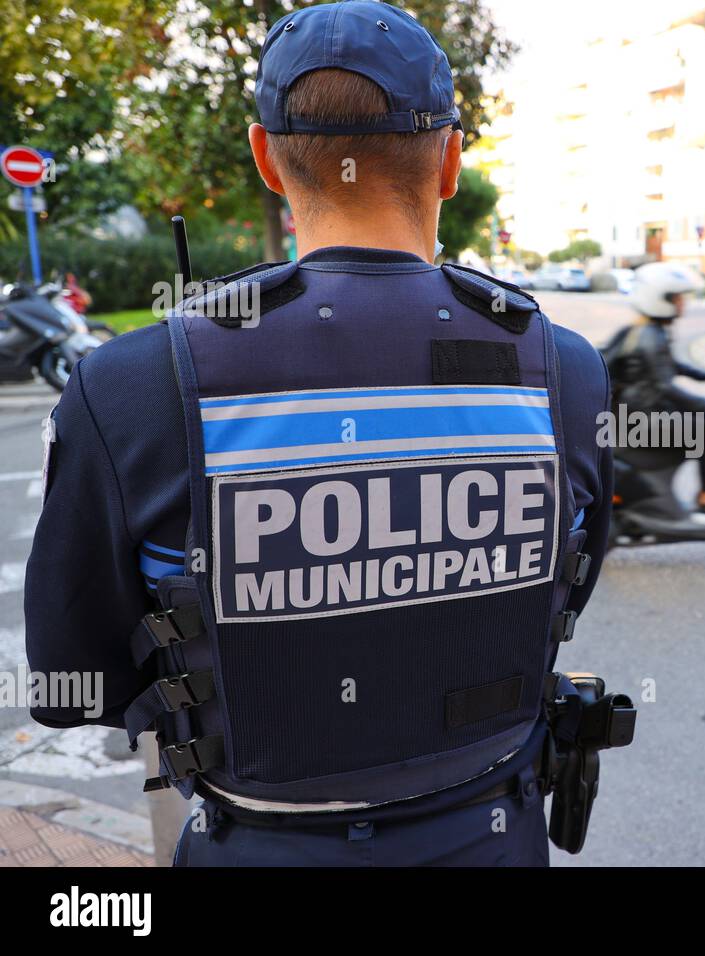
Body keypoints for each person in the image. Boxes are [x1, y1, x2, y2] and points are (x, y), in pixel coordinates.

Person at [25, 0, 616, 866]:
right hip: (498, 837)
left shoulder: (131, 384)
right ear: (450, 161)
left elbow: (71, 685)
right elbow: (568, 581)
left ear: (267, 157)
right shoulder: (566, 371)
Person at [604, 261, 705, 515]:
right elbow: (666, 386)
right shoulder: (650, 336)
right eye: (677, 298)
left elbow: (671, 366)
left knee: (702, 421)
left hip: (632, 413)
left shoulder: (646, 330)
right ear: (659, 299)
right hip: (638, 421)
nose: (682, 304)